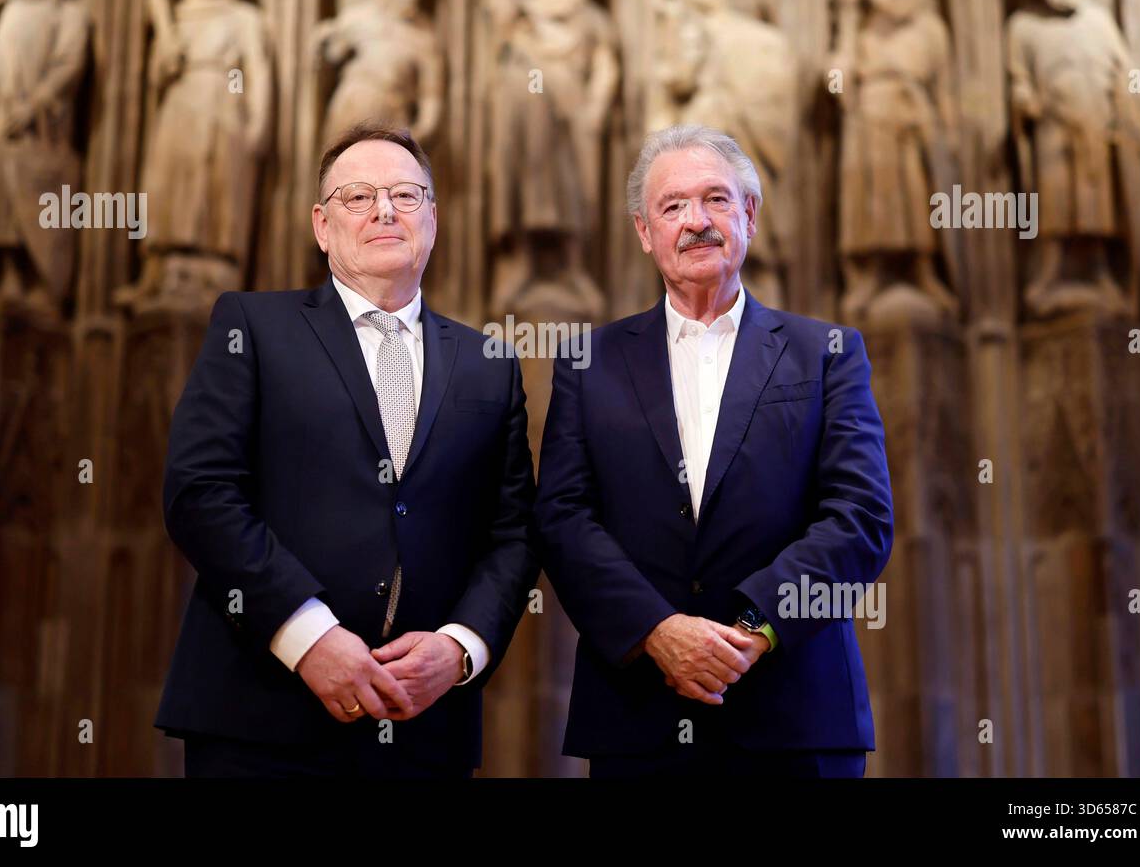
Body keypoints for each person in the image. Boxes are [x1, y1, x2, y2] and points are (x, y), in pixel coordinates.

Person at [156, 123, 539, 777]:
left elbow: (516, 534)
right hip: (261, 716)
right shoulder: (254, 327)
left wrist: (459, 647)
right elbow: (201, 493)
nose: (385, 210)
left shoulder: (490, 364)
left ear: (434, 220)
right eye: (358, 197)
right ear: (321, 226)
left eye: (406, 195)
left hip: (423, 725)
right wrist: (309, 638)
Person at [536, 124, 894, 777]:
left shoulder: (827, 354)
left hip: (796, 721)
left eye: (716, 200)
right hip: (639, 717)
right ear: (645, 231)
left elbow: (859, 517)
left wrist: (756, 629)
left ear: (750, 216)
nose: (695, 222)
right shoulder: (588, 363)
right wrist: (658, 631)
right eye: (673, 207)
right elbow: (563, 521)